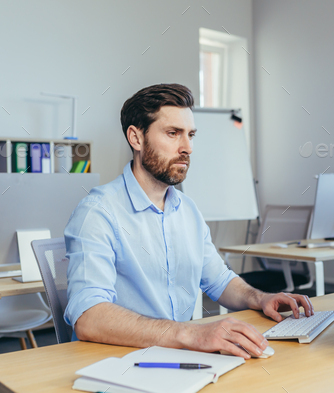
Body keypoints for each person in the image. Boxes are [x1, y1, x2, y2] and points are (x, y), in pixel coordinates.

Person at [64, 83, 313, 359]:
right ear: (136, 138)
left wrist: (261, 298)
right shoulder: (97, 212)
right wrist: (190, 334)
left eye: (191, 135)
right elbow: (88, 316)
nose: (188, 148)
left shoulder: (188, 211)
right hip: (117, 363)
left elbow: (218, 280)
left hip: (178, 358)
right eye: (173, 134)